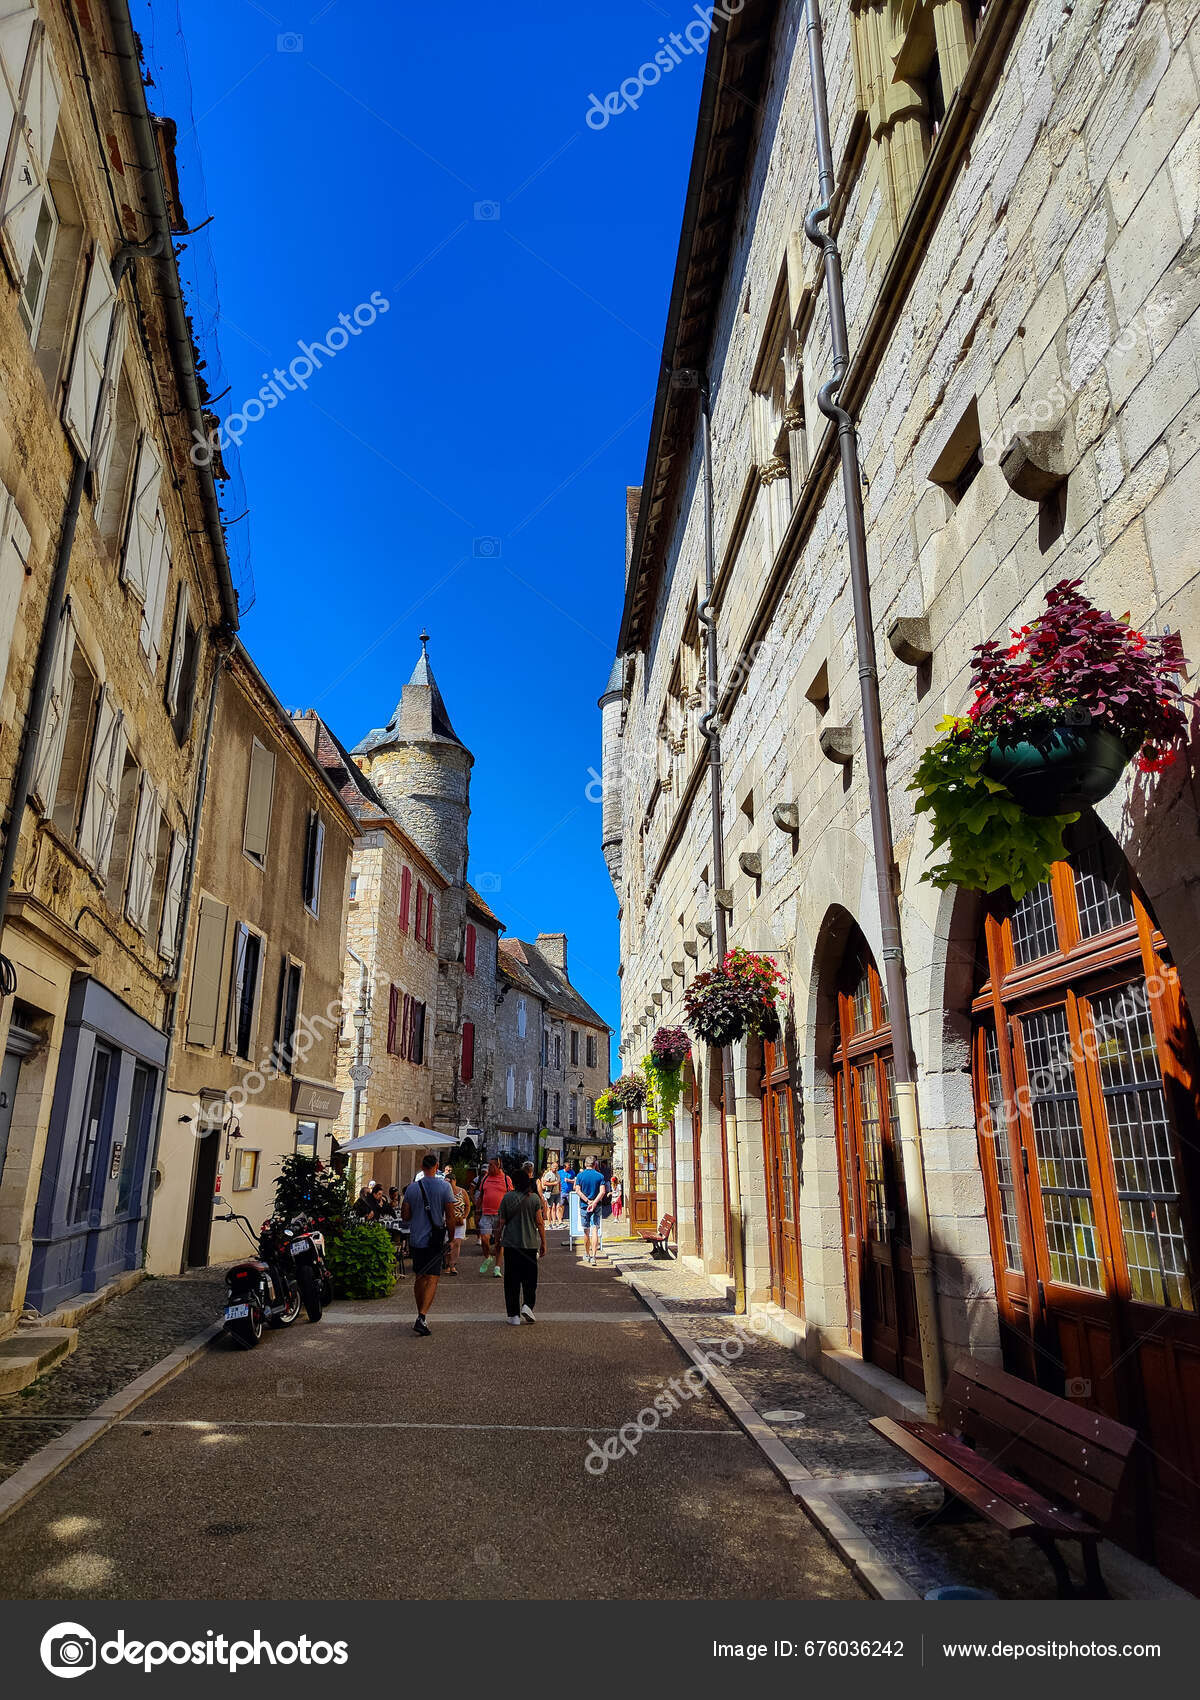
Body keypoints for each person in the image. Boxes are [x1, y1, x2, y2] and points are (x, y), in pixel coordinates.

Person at [401, 1153, 456, 1336]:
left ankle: (420, 1314)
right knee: (432, 1277)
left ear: (422, 1167)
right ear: (437, 1166)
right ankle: (422, 1316)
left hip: (416, 1238)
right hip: (434, 1238)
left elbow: (405, 1216)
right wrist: (452, 1237)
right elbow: (450, 1215)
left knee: (419, 1276)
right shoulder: (444, 1187)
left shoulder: (411, 1189)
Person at [496, 1168, 546, 1325]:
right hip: (530, 1245)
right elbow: (539, 1222)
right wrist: (544, 1242)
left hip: (511, 1244)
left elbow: (501, 1223)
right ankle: (527, 1305)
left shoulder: (507, 1197)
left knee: (512, 1280)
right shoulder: (534, 1199)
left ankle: (514, 1315)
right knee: (530, 1279)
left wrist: (497, 1240)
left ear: (514, 1183)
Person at [477, 1157, 512, 1277]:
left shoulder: (506, 1179)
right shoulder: (485, 1178)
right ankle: (488, 1257)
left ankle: (497, 1268)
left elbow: (511, 1196)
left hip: (500, 1215)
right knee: (484, 1238)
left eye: (491, 1165)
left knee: (499, 1242)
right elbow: (481, 1195)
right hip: (486, 1214)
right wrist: (477, 1210)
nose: (489, 1168)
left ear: (498, 1166)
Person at [575, 1156, 608, 1266]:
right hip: (597, 1205)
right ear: (595, 1165)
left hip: (584, 1205)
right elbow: (602, 1192)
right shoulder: (600, 1176)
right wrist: (594, 1202)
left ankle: (587, 1254)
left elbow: (577, 1190)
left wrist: (587, 1201)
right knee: (595, 1230)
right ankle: (594, 1256)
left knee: (586, 1231)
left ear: (585, 1164)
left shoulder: (580, 1175)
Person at [444, 1167, 471, 1274]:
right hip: (447, 1221)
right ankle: (447, 1264)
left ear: (454, 1181)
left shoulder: (462, 1191)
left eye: (450, 1181)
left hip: (460, 1221)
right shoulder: (444, 1192)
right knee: (448, 1243)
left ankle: (453, 1265)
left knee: (457, 1243)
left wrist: (465, 1216)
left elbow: (468, 1205)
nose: (449, 1184)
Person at [540, 1155, 562, 1225]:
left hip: (557, 1193)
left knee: (558, 1207)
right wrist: (553, 1183)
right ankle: (549, 1223)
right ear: (551, 1167)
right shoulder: (548, 1174)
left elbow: (559, 1182)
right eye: (554, 1168)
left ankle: (558, 1222)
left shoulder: (558, 1174)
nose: (555, 1169)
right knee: (550, 1208)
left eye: (556, 1168)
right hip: (550, 1193)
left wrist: (560, 1189)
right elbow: (544, 1183)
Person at [560, 1162, 577, 1234]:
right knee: (561, 1206)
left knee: (572, 1206)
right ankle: (560, 1220)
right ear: (564, 1167)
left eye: (570, 1166)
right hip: (562, 1191)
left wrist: (569, 1180)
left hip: (570, 1191)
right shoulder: (559, 1172)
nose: (569, 1167)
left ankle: (572, 1219)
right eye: (568, 1167)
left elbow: (575, 1180)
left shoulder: (572, 1172)